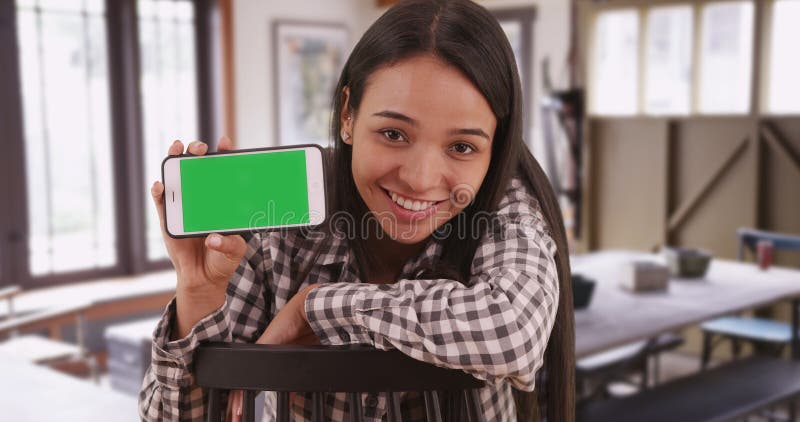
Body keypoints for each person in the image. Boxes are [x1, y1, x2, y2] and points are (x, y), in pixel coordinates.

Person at [138, 0, 575, 420]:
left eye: (462, 147)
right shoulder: (284, 218)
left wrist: (318, 307)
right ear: (348, 113)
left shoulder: (505, 210)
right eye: (393, 133)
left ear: (493, 148)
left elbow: (514, 334)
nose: (421, 178)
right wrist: (198, 291)